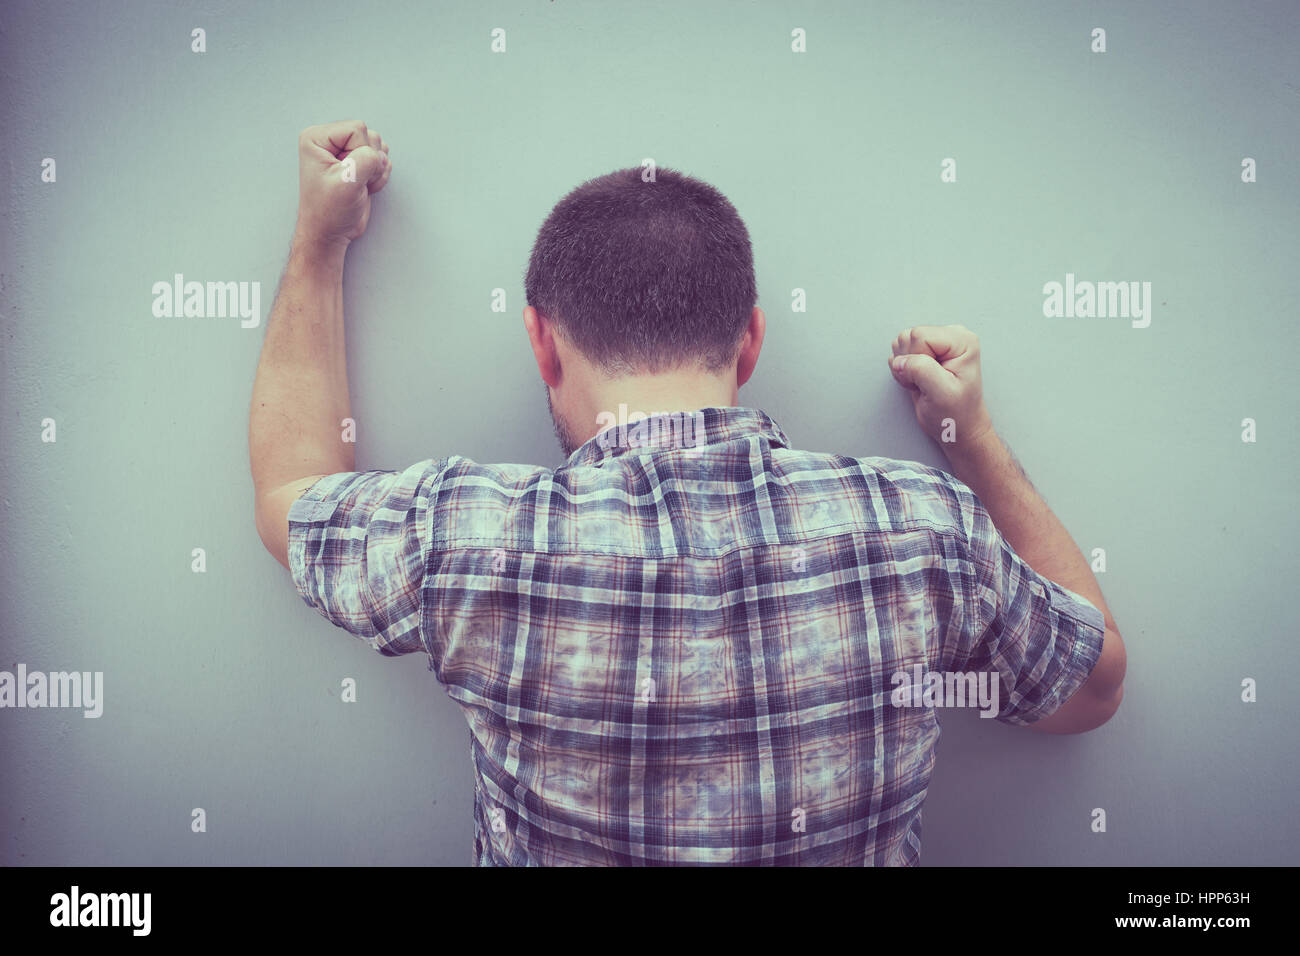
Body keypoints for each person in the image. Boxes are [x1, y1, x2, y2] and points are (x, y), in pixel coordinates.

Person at [249, 120, 1126, 865]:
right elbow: (1092, 689)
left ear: (542, 345)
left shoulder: (463, 540)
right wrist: (968, 439)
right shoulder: (924, 530)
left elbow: (293, 487)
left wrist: (321, 239)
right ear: (749, 343)